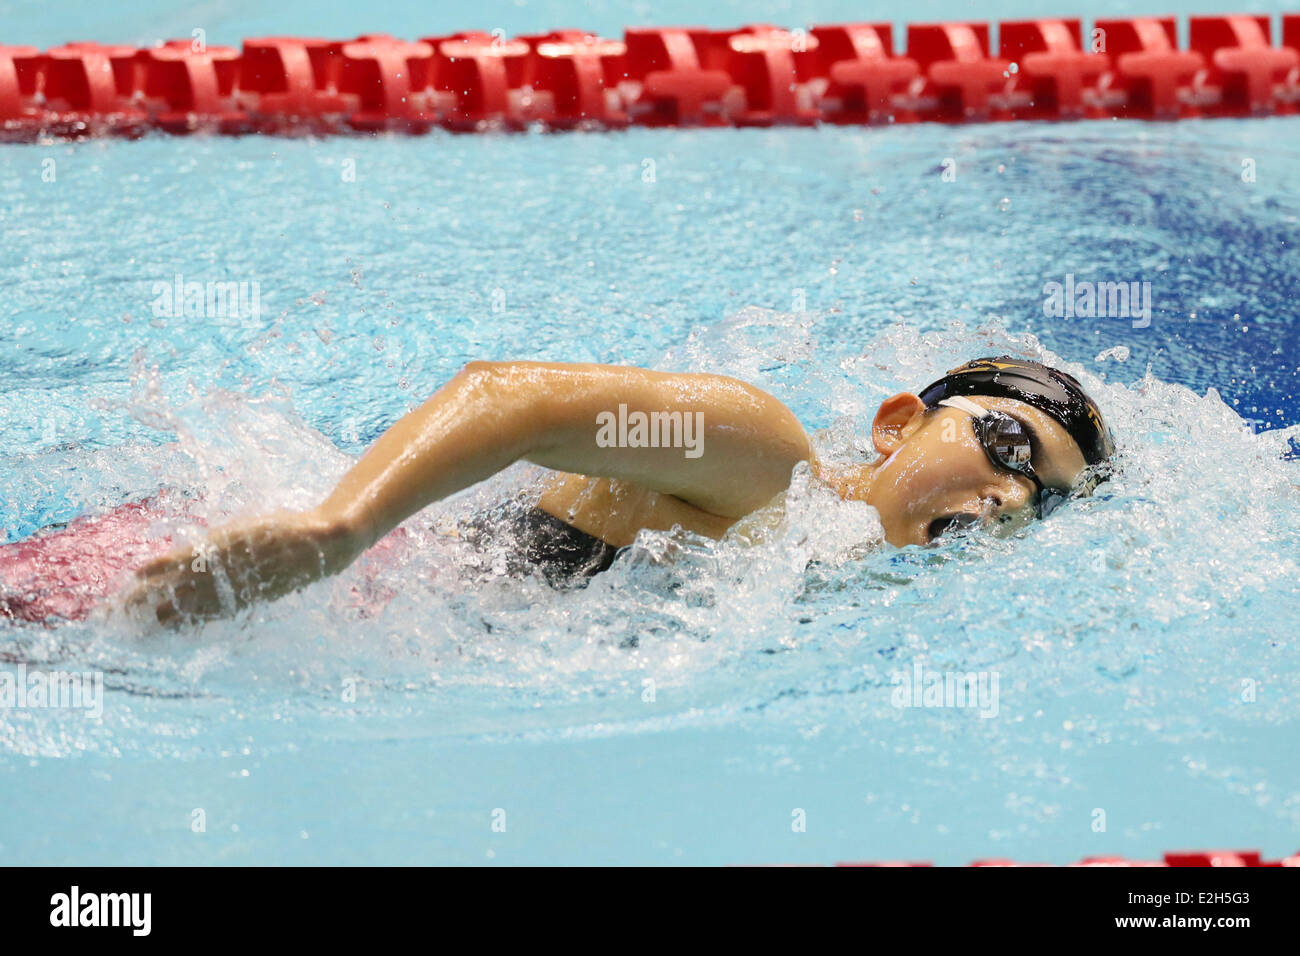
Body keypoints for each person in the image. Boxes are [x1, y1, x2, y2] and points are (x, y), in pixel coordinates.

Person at [2, 355, 1114, 627]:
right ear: (894, 423)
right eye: (1012, 448)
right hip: (280, 565)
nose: (1015, 495)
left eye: (1045, 497)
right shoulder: (768, 460)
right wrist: (334, 529)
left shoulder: (827, 576)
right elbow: (509, 396)